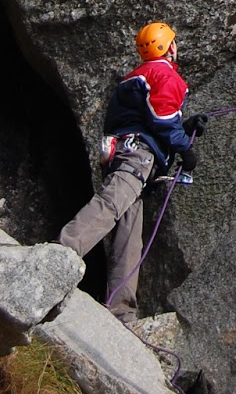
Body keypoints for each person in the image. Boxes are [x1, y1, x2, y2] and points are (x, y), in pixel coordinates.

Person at [58, 21, 206, 326]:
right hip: (137, 157)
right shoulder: (165, 74)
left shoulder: (137, 76)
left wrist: (185, 128)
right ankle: (62, 252)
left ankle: (122, 311)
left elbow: (149, 119)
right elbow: (163, 121)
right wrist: (185, 147)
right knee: (111, 205)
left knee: (129, 237)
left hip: (126, 153)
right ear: (169, 46)